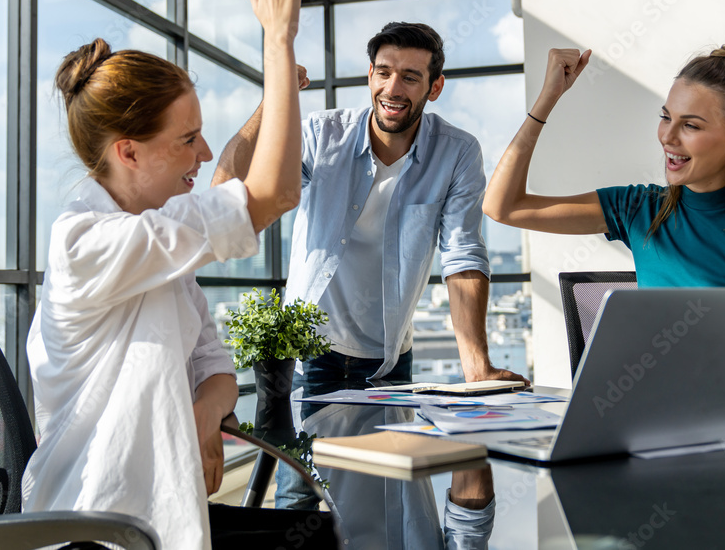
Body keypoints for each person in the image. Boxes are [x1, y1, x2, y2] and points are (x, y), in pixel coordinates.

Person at [20, 0, 333, 549]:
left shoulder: (152, 237)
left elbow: (215, 367)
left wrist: (201, 418)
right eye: (188, 139)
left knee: (322, 535)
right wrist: (278, 39)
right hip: (102, 531)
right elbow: (274, 192)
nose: (205, 153)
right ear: (127, 150)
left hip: (162, 512)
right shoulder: (89, 243)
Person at [483, 45, 725, 413]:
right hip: (661, 423)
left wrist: (695, 399)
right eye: (666, 118)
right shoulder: (638, 208)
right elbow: (502, 206)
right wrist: (547, 100)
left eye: (690, 125)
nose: (668, 137)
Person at [213, 21, 528, 386]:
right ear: (370, 75)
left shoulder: (457, 152)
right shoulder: (322, 135)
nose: (392, 89)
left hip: (388, 363)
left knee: (391, 445)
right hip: (306, 355)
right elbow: (227, 195)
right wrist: (273, 99)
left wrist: (477, 366)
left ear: (435, 87)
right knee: (304, 446)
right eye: (384, 72)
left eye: (410, 77)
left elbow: (463, 253)